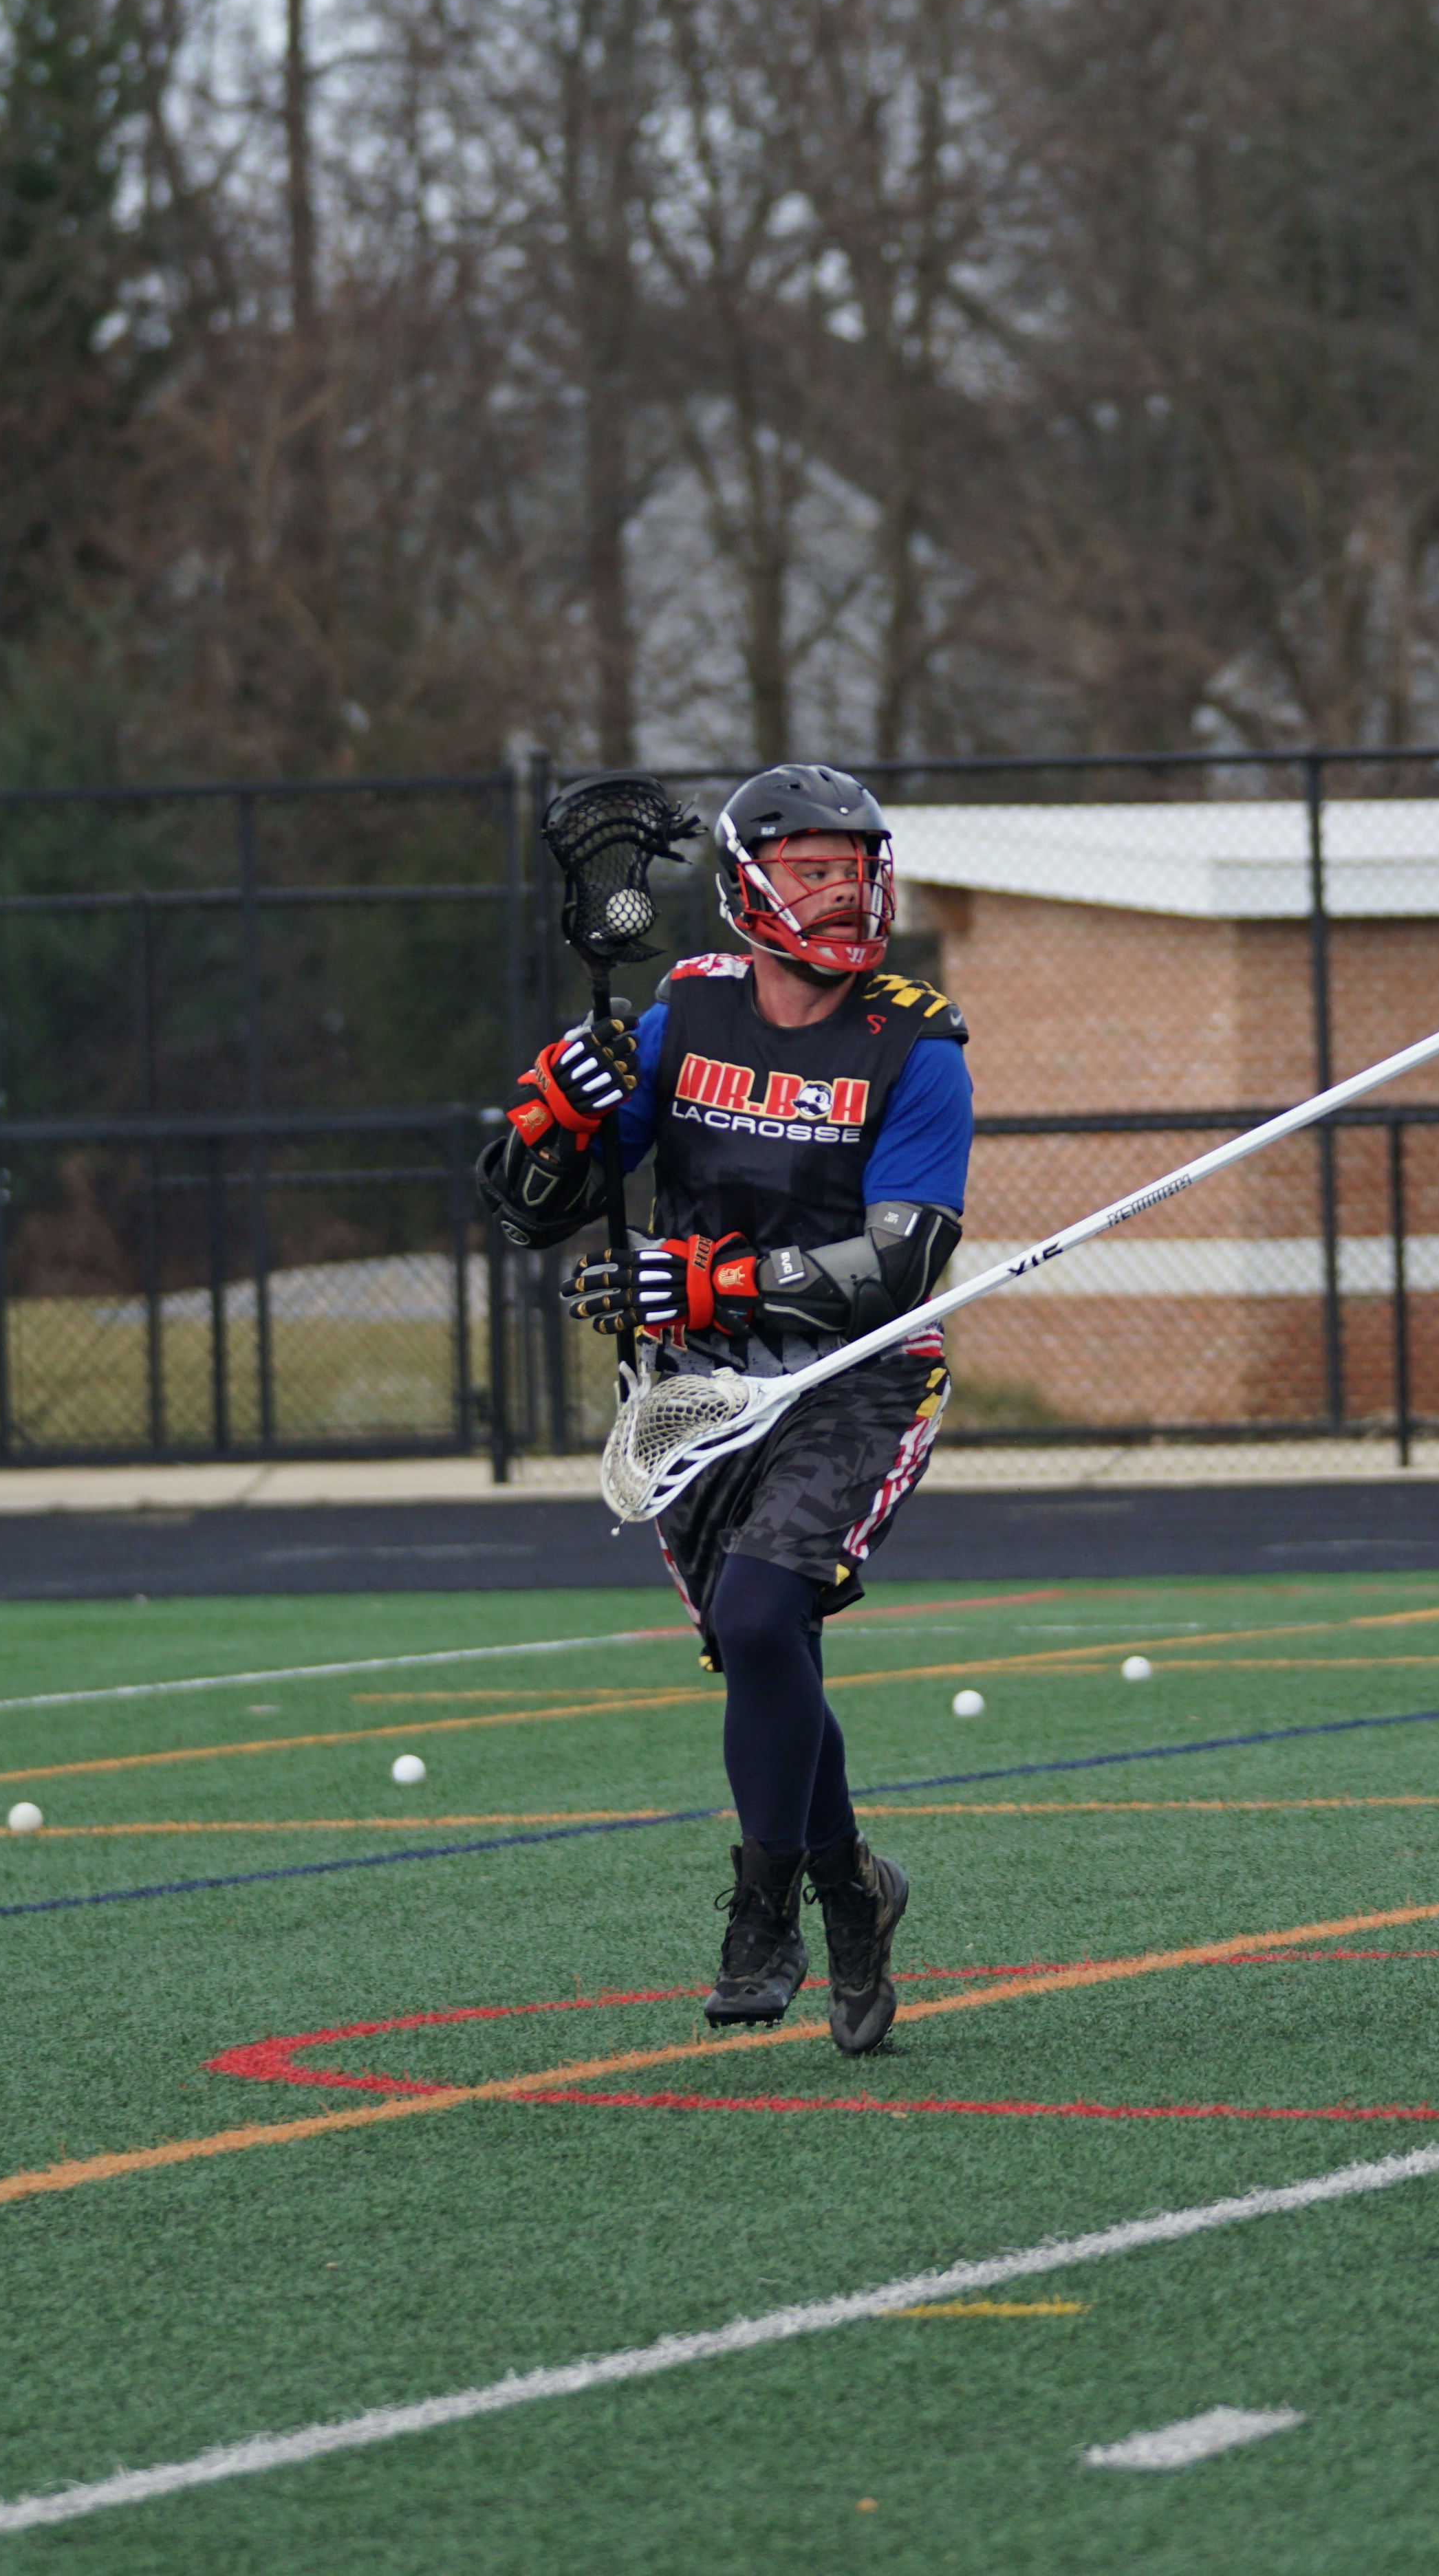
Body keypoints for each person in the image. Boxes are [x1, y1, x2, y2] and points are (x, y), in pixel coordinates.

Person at [472, 763, 973, 2055]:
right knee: (766, 1650)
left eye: (855, 865)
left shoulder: (917, 1044)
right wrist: (552, 1119)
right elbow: (533, 1206)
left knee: (763, 1609)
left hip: (851, 1381)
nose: (842, 888)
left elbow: (906, 1260)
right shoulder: (681, 1018)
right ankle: (855, 1891)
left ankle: (765, 1916)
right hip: (692, 1394)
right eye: (813, 866)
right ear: (753, 881)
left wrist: (712, 1271)